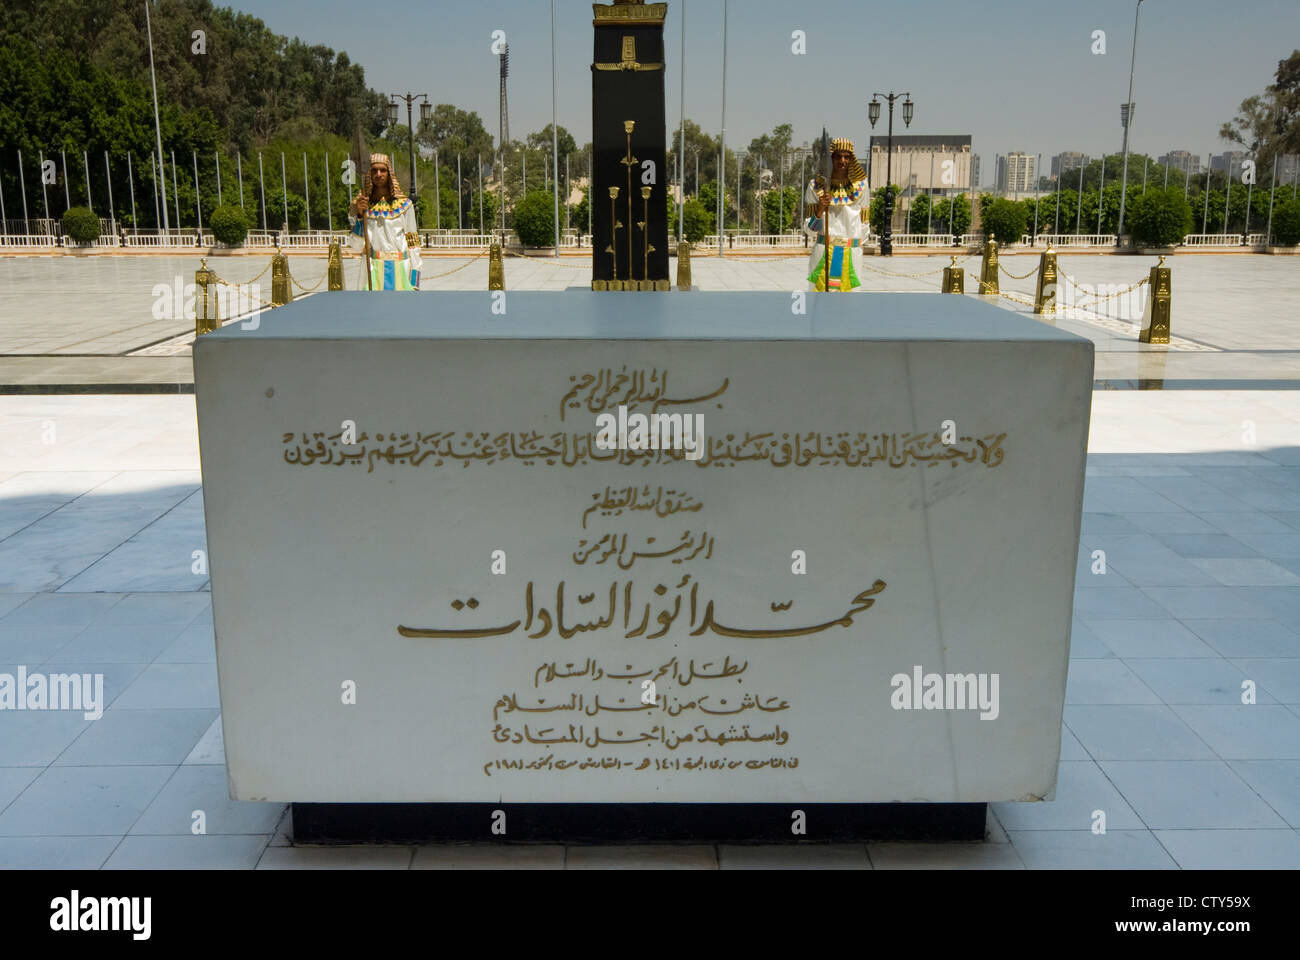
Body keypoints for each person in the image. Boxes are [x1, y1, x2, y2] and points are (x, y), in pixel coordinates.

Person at [803, 138, 870, 291]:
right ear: (831, 158)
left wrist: (857, 247)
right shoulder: (816, 186)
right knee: (819, 302)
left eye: (846, 156)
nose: (842, 161)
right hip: (823, 251)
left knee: (851, 305)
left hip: (852, 253)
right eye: (838, 156)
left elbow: (865, 225)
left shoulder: (862, 186)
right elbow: (809, 230)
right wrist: (820, 210)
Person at [347, 153, 422, 291]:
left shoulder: (405, 205)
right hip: (372, 267)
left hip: (401, 268)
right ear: (369, 174)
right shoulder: (362, 205)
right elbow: (356, 245)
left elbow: (413, 243)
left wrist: (414, 281)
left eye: (383, 170)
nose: (378, 174)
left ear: (389, 173)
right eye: (374, 170)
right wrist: (359, 215)